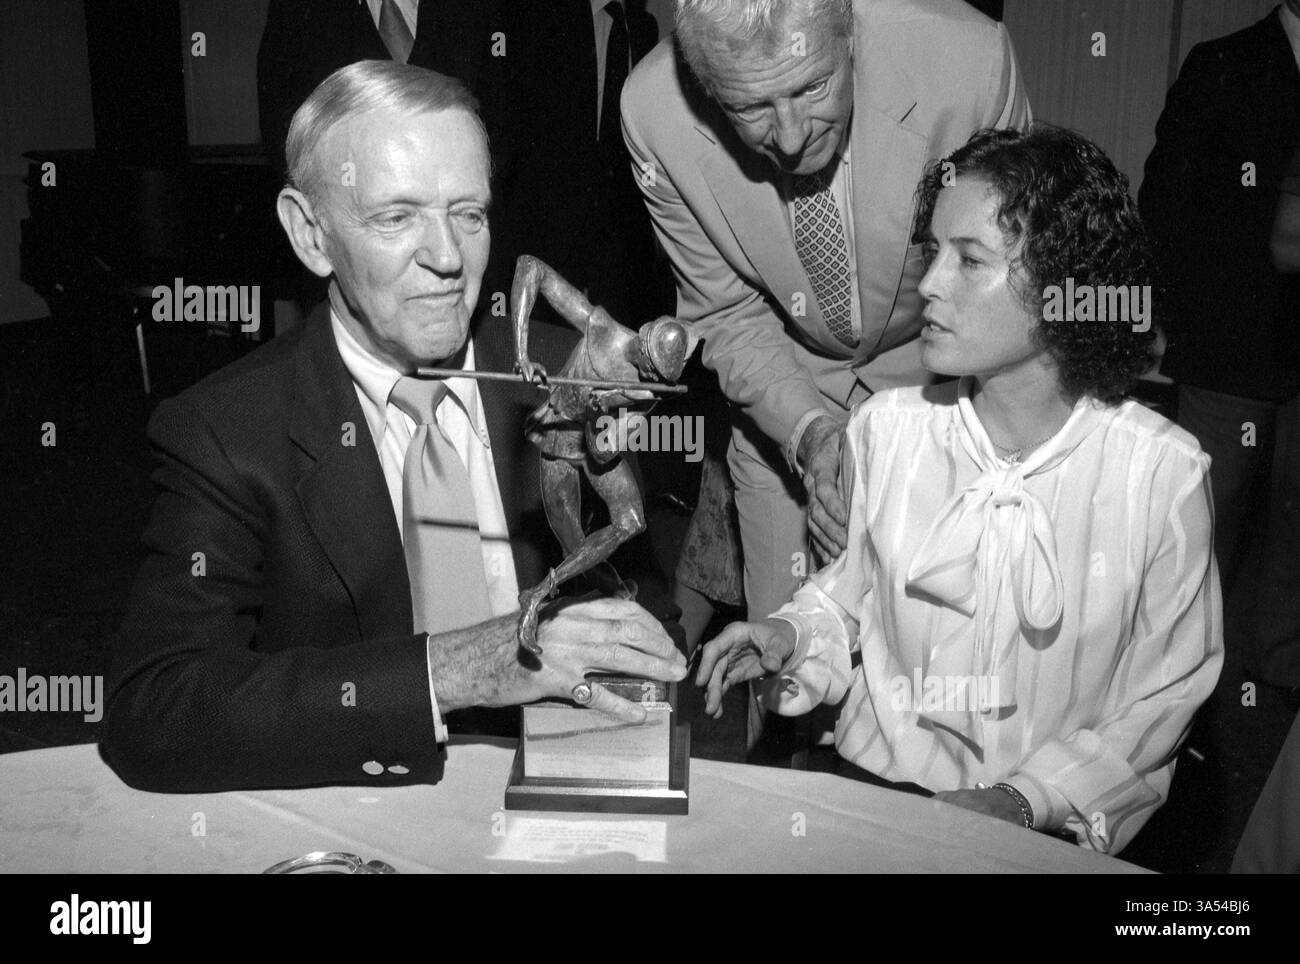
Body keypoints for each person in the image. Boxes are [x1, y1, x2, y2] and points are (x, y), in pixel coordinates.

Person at [100, 61, 686, 794]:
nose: (448, 258)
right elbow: (155, 712)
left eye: (468, 214)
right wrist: (454, 669)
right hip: (360, 809)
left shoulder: (572, 378)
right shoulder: (229, 431)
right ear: (310, 234)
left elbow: (646, 606)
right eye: (396, 217)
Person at [696, 127, 1224, 854]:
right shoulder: (888, 430)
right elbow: (847, 600)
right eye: (933, 252)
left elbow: (1165, 694)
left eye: (969, 259)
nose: (929, 285)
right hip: (877, 795)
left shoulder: (1159, 474)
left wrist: (1025, 800)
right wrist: (790, 635)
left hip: (1047, 827)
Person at [622, 0, 1030, 746]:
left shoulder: (970, 63)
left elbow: (1009, 287)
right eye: (749, 107)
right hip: (784, 393)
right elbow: (726, 313)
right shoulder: (654, 113)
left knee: (937, 683)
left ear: (850, 34)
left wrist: (921, 449)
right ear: (704, 86)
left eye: (811, 88)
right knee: (784, 678)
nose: (789, 136)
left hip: (940, 380)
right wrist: (811, 436)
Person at [1138, 1, 1300, 692]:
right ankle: (1171, 698)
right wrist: (1175, 317)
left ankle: (1272, 701)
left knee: (1291, 551)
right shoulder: (1223, 65)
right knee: (1195, 539)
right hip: (1228, 356)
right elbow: (1165, 203)